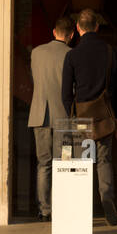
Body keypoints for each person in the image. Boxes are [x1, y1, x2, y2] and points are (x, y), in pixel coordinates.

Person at [60, 8, 117, 225]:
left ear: (78, 29)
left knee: (82, 162)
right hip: (105, 117)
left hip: (81, 118)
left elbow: (65, 93)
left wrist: (73, 114)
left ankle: (81, 210)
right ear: (97, 27)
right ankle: (106, 198)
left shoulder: (72, 55)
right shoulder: (111, 52)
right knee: (104, 160)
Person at [27, 15, 74, 221]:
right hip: (63, 118)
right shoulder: (72, 55)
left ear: (54, 32)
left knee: (43, 163)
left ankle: (45, 210)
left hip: (39, 115)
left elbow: (34, 80)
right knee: (63, 162)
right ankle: (62, 207)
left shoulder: (36, 53)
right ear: (71, 35)